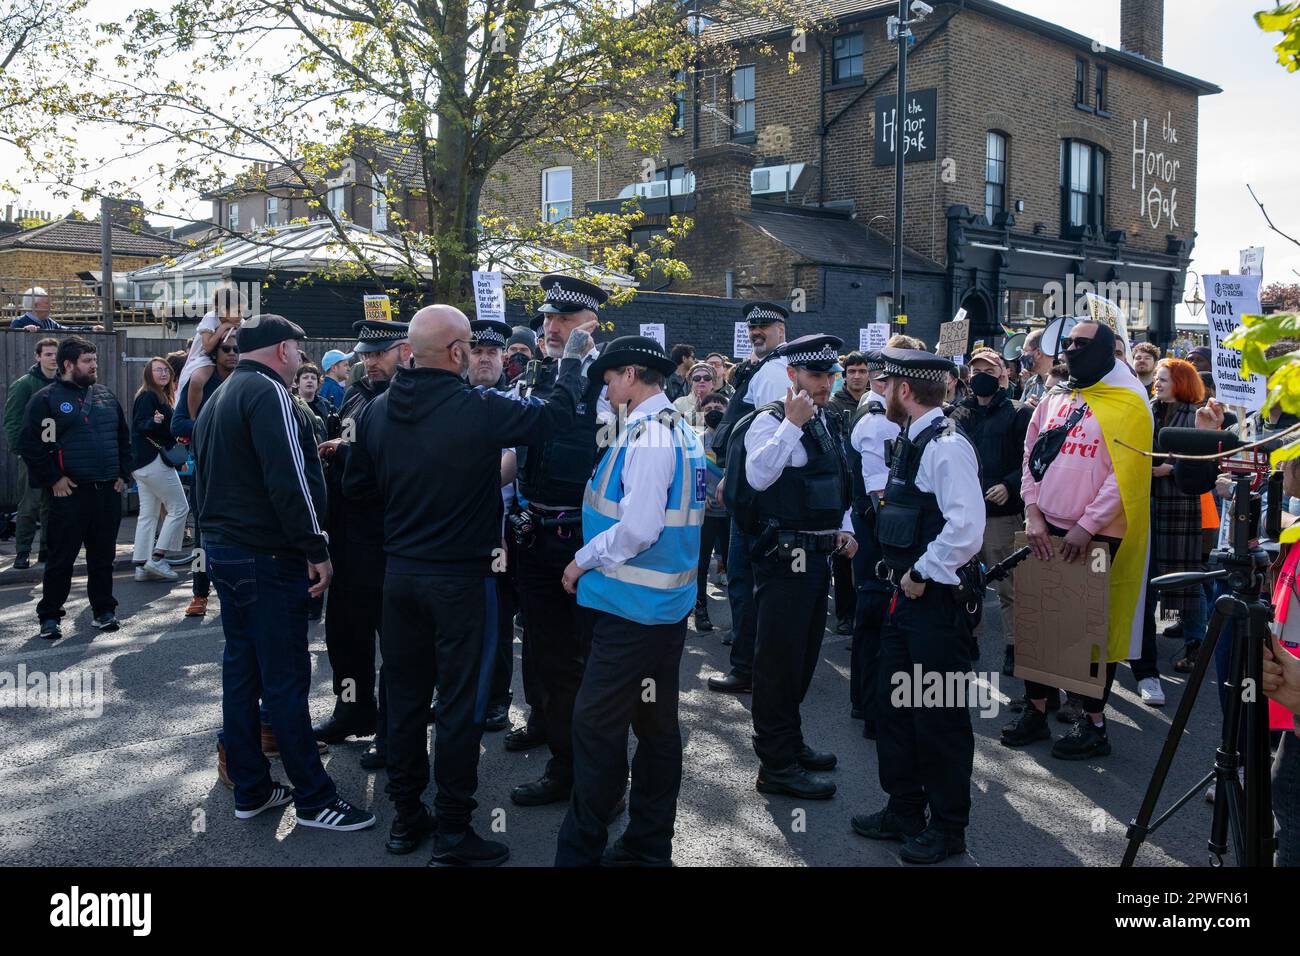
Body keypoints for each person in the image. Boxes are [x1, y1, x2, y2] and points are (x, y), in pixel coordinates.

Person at [344, 304, 592, 866]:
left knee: (404, 701)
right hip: (460, 577)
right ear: (457, 353)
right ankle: (453, 830)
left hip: (400, 573)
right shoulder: (474, 407)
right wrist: (572, 362)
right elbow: (551, 417)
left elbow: (359, 485)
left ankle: (407, 819)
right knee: (460, 706)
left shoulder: (380, 411)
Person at [194, 313, 375, 832]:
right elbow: (289, 478)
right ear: (280, 350)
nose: (300, 356)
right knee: (286, 680)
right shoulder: (268, 392)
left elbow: (205, 482)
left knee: (242, 671)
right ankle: (315, 799)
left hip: (228, 552)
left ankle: (251, 787)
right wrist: (316, 546)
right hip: (266, 556)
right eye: (296, 347)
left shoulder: (224, 392)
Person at [554, 336, 703, 866]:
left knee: (595, 730)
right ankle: (646, 846)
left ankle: (580, 855)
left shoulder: (650, 439)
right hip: (659, 610)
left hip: (630, 613)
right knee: (655, 726)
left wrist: (581, 560)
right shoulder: (673, 430)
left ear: (633, 375)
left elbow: (639, 528)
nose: (606, 388)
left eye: (611, 378)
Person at [850, 347, 985, 864]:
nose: (879, 393)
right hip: (905, 600)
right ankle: (904, 809)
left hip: (934, 602)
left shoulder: (946, 447)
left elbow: (966, 528)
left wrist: (923, 572)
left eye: (886, 386)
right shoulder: (915, 439)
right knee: (897, 709)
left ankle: (949, 828)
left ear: (905, 391)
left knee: (940, 718)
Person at [1001, 320, 1152, 758]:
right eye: (1067, 343)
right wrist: (1032, 511)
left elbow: (1125, 476)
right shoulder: (1054, 399)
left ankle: (1093, 724)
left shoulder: (1128, 404)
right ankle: (1036, 710)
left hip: (1098, 535)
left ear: (1107, 352)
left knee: (1086, 633)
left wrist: (1087, 526)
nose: (1070, 350)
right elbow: (1031, 456)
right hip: (1044, 527)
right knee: (1039, 626)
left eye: (1081, 344)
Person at [735, 334, 856, 799]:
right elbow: (759, 475)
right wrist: (790, 424)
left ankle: (790, 740)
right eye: (815, 375)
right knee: (778, 662)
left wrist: (846, 528)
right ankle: (775, 764)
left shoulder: (826, 419)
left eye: (829, 375)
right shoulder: (770, 421)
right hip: (783, 560)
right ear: (792, 376)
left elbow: (837, 479)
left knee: (802, 659)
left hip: (818, 556)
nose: (825, 384)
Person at [508, 274, 612, 806]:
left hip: (583, 538)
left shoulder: (609, 380)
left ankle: (594, 779)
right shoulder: (537, 374)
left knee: (587, 661)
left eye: (564, 320)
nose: (550, 328)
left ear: (589, 326)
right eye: (547, 318)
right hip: (533, 534)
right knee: (547, 654)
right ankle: (561, 754)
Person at [313, 319, 412, 754]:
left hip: (390, 537)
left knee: (396, 642)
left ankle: (395, 731)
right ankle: (354, 710)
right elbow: (357, 443)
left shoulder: (410, 399)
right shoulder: (359, 391)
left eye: (380, 353)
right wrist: (342, 446)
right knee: (347, 633)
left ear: (405, 350)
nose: (370, 361)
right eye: (367, 354)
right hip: (350, 537)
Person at [18, 336, 131, 640]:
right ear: (68, 365)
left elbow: (123, 437)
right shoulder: (47, 399)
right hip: (69, 495)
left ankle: (104, 611)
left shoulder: (106, 396)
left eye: (95, 361)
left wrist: (123, 474)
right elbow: (32, 445)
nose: (94, 366)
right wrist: (54, 478)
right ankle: (50, 617)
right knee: (60, 560)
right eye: (87, 361)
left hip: (107, 493)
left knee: (103, 559)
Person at [707, 301, 790, 695]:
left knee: (748, 582)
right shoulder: (760, 368)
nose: (756, 332)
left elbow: (771, 442)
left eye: (765, 326)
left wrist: (739, 481)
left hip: (757, 499)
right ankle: (752, 665)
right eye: (752, 326)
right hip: (747, 491)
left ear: (781, 330)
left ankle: (749, 668)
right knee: (746, 582)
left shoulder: (773, 372)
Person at [949, 347, 1031, 678]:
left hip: (1001, 515)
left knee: (1010, 586)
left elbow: (1029, 461)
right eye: (976, 369)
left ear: (1003, 375)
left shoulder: (1018, 412)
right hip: (966, 515)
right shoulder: (958, 414)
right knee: (966, 584)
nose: (982, 374)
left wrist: (1010, 485)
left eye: (989, 369)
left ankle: (1014, 646)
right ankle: (970, 638)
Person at [466, 317, 518, 732]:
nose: (485, 358)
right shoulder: (455, 399)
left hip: (501, 531)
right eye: (478, 351)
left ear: (503, 358)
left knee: (498, 619)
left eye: (492, 352)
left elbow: (515, 465)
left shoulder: (515, 401)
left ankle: (498, 697)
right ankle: (458, 692)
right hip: (457, 529)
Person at [847, 348, 900, 736]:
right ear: (884, 383)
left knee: (872, 620)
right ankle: (871, 708)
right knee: (877, 620)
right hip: (877, 536)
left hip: (869, 534)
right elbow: (879, 494)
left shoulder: (869, 409)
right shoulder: (880, 422)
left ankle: (864, 703)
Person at [171, 330, 239, 618]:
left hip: (241, 474)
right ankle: (200, 593)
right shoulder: (199, 382)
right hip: (207, 473)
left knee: (240, 534)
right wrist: (216, 428)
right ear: (215, 354)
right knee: (203, 537)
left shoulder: (244, 382)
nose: (233, 354)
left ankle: (237, 591)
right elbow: (178, 426)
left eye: (237, 349)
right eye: (227, 350)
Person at [1148, 358, 1207, 677]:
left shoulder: (1195, 415)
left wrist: (1172, 469)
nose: (1157, 383)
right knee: (1153, 568)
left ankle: (1196, 641)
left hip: (1179, 501)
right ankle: (1170, 622)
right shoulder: (1149, 408)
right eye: (1157, 378)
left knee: (1185, 573)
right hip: (1147, 499)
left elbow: (1207, 462)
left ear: (1181, 382)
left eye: (1164, 379)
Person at [129, 357, 188, 584]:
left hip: (142, 464)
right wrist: (154, 422)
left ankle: (142, 566)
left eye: (166, 370)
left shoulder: (157, 395)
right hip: (154, 461)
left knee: (148, 514)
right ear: (148, 374)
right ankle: (158, 557)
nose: (163, 373)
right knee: (180, 508)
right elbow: (140, 425)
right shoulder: (149, 396)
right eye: (158, 370)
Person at [826, 350, 872, 635]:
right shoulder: (832, 406)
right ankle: (845, 613)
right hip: (844, 487)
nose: (857, 376)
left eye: (862, 371)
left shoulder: (875, 404)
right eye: (852, 371)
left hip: (870, 489)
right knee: (844, 554)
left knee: (868, 554)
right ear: (844, 375)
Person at [4, 336, 59, 568]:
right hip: (33, 453)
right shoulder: (24, 384)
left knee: (53, 504)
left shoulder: (64, 383)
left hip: (57, 453)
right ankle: (23, 551)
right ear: (37, 357)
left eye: (56, 354)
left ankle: (46, 549)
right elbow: (13, 420)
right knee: (29, 504)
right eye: (47, 354)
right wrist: (21, 450)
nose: (53, 358)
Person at [178, 285, 246, 421]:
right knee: (197, 380)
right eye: (237, 311)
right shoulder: (211, 318)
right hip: (203, 357)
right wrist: (222, 328)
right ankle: (193, 417)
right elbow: (207, 346)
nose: (240, 316)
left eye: (242, 311)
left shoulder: (240, 323)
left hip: (226, 358)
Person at [694, 391, 731, 633]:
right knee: (700, 564)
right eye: (708, 409)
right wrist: (701, 498)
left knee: (732, 567)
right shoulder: (696, 441)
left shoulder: (735, 439)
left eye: (719, 406)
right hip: (705, 515)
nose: (714, 411)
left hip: (730, 515)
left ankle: (737, 620)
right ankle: (701, 610)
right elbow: (693, 472)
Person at [672, 361, 717, 427]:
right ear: (691, 383)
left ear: (713, 383)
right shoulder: (678, 403)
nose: (702, 381)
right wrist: (695, 411)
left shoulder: (723, 402)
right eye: (697, 378)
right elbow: (675, 427)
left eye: (707, 378)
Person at [1019, 328, 1053, 407]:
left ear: (1038, 353)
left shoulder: (1062, 383)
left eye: (1025, 351)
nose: (1022, 356)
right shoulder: (1031, 382)